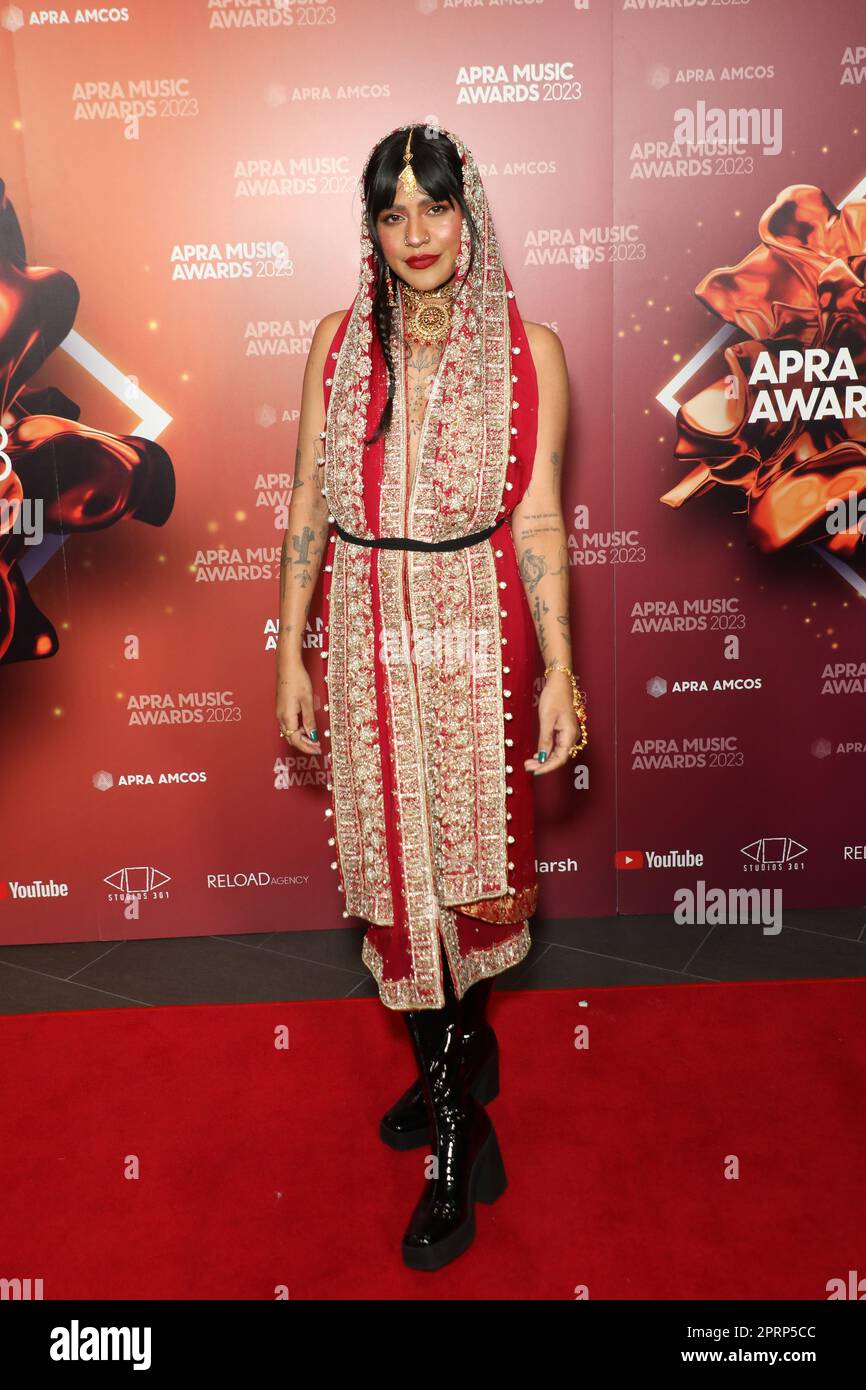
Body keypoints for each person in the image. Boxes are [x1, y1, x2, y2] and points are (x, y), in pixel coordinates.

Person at [275, 123, 586, 1271]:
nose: (415, 233)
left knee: (463, 870)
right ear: (371, 225)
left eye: (435, 207)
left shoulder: (529, 348)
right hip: (360, 626)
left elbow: (541, 516)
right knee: (394, 882)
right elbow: (308, 502)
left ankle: (453, 1118)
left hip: (471, 627)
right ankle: (455, 1088)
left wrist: (558, 665)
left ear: (471, 213)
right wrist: (287, 652)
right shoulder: (333, 344)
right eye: (392, 212)